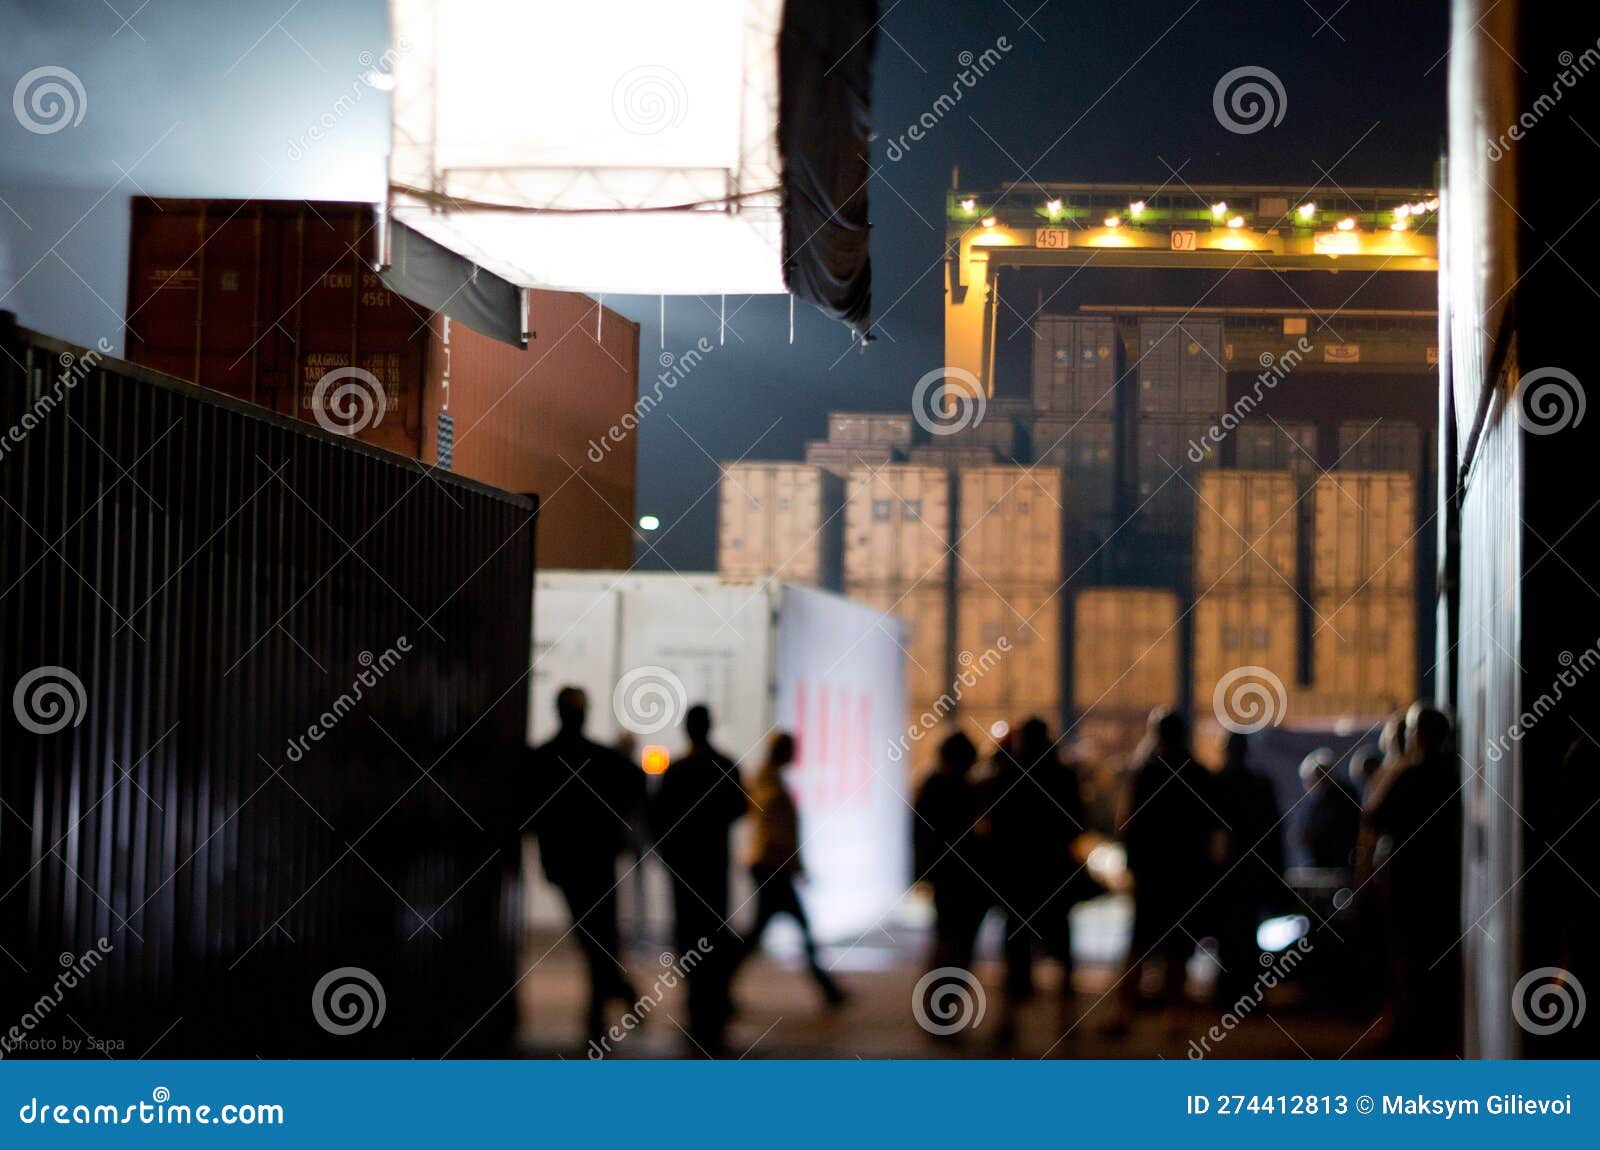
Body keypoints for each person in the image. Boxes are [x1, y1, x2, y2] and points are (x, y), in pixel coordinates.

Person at [525, 686, 644, 1041]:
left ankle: (610, 1004)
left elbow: (528, 811)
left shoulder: (543, 757)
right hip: (598, 860)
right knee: (600, 935)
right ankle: (616, 999)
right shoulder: (602, 757)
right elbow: (634, 785)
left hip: (564, 862)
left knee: (592, 935)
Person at [1105, 708, 1226, 1033]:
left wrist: (1132, 867)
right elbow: (1215, 831)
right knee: (1178, 948)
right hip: (1186, 874)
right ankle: (1176, 1017)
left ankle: (1123, 1015)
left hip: (1151, 874)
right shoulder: (1199, 774)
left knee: (1138, 944)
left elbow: (1127, 824)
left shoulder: (1145, 773)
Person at [651, 703, 748, 1050]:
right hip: (712, 866)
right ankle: (715, 997)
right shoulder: (724, 766)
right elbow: (739, 808)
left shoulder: (677, 770)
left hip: (684, 868)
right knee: (713, 930)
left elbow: (658, 820)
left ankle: (696, 998)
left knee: (689, 934)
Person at [1367, 702, 1462, 1055]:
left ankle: (1405, 1030)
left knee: (1405, 956)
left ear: (1419, 737)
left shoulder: (1408, 776)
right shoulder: (1453, 776)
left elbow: (1375, 817)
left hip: (1406, 880)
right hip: (1440, 882)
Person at [983, 717, 1088, 1006]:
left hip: (1016, 874)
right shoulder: (1063, 777)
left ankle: (1010, 1018)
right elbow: (1078, 823)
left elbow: (993, 828)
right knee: (1061, 945)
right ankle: (1066, 1016)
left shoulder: (1007, 776)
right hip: (1054, 871)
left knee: (1015, 945)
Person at [736, 732, 847, 1005]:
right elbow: (778, 832)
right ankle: (827, 989)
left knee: (762, 932)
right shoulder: (769, 783)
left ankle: (827, 988)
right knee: (787, 928)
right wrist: (795, 866)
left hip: (770, 865)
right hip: (773, 866)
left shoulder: (767, 779)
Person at [1210, 731, 1285, 1006]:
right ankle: (1249, 990)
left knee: (1227, 932)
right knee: (1248, 929)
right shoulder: (1261, 786)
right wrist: (1276, 874)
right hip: (1253, 871)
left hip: (1225, 872)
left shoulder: (1216, 784)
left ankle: (1227, 989)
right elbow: (1274, 833)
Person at [912, 732, 988, 977]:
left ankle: (938, 999)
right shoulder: (969, 790)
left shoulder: (931, 788)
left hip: (945, 878)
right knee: (960, 941)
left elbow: (921, 836)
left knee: (946, 937)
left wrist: (923, 872)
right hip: (965, 879)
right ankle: (944, 997)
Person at [1299, 747, 1361, 870]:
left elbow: (1342, 834)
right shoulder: (1319, 802)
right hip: (1326, 868)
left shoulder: (1345, 797)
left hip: (1343, 868)